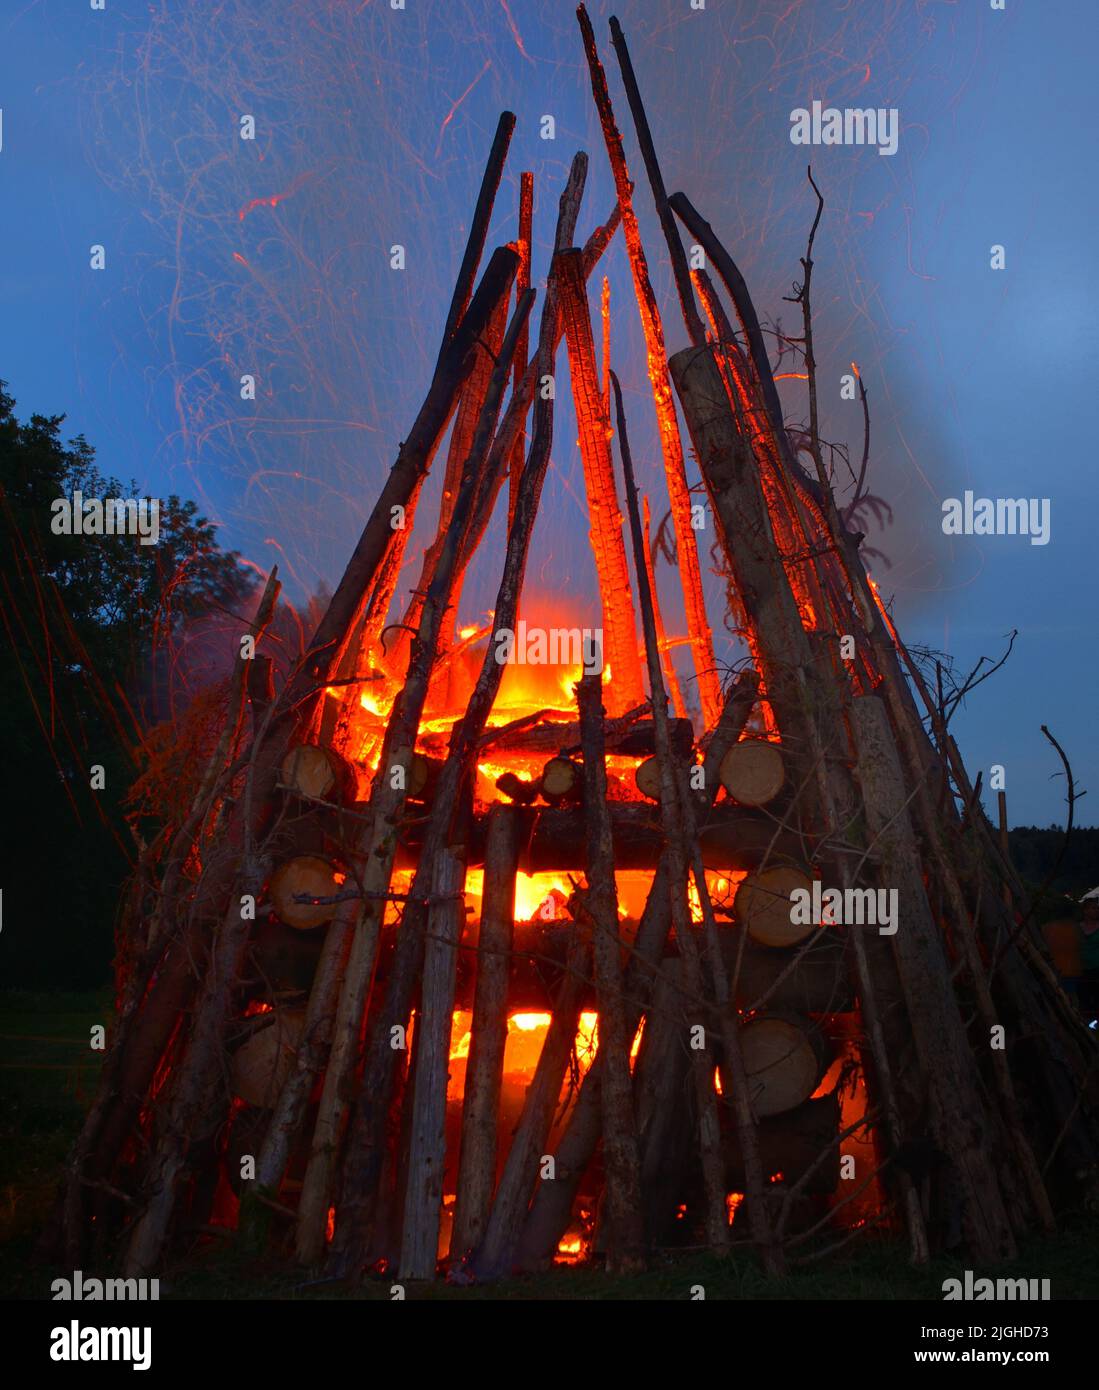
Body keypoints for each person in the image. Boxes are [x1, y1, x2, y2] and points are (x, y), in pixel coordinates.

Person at [1079, 898, 1099, 1026]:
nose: (1096, 910)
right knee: (1083, 998)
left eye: (1096, 908)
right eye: (1092, 908)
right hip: (1081, 969)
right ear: (1085, 911)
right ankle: (1086, 1026)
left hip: (1097, 968)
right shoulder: (1078, 927)